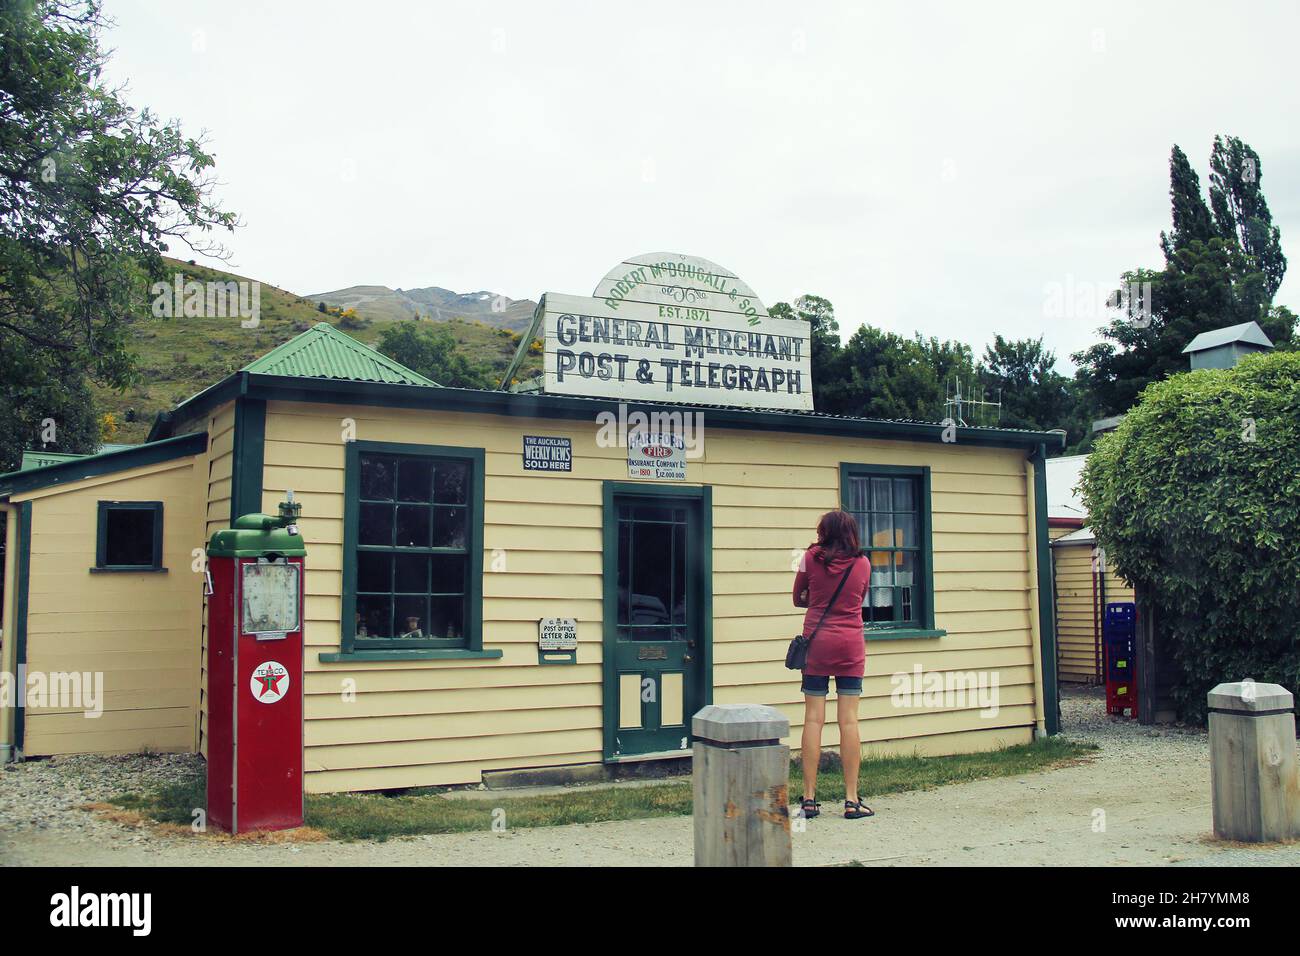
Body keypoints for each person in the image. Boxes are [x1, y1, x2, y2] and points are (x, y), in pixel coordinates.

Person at [792, 510, 872, 820]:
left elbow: (797, 597)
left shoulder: (809, 557)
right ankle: (851, 800)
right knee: (849, 721)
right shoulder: (863, 563)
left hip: (817, 642)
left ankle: (809, 799)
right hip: (850, 643)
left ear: (823, 531)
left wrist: (815, 597)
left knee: (813, 719)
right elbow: (859, 597)